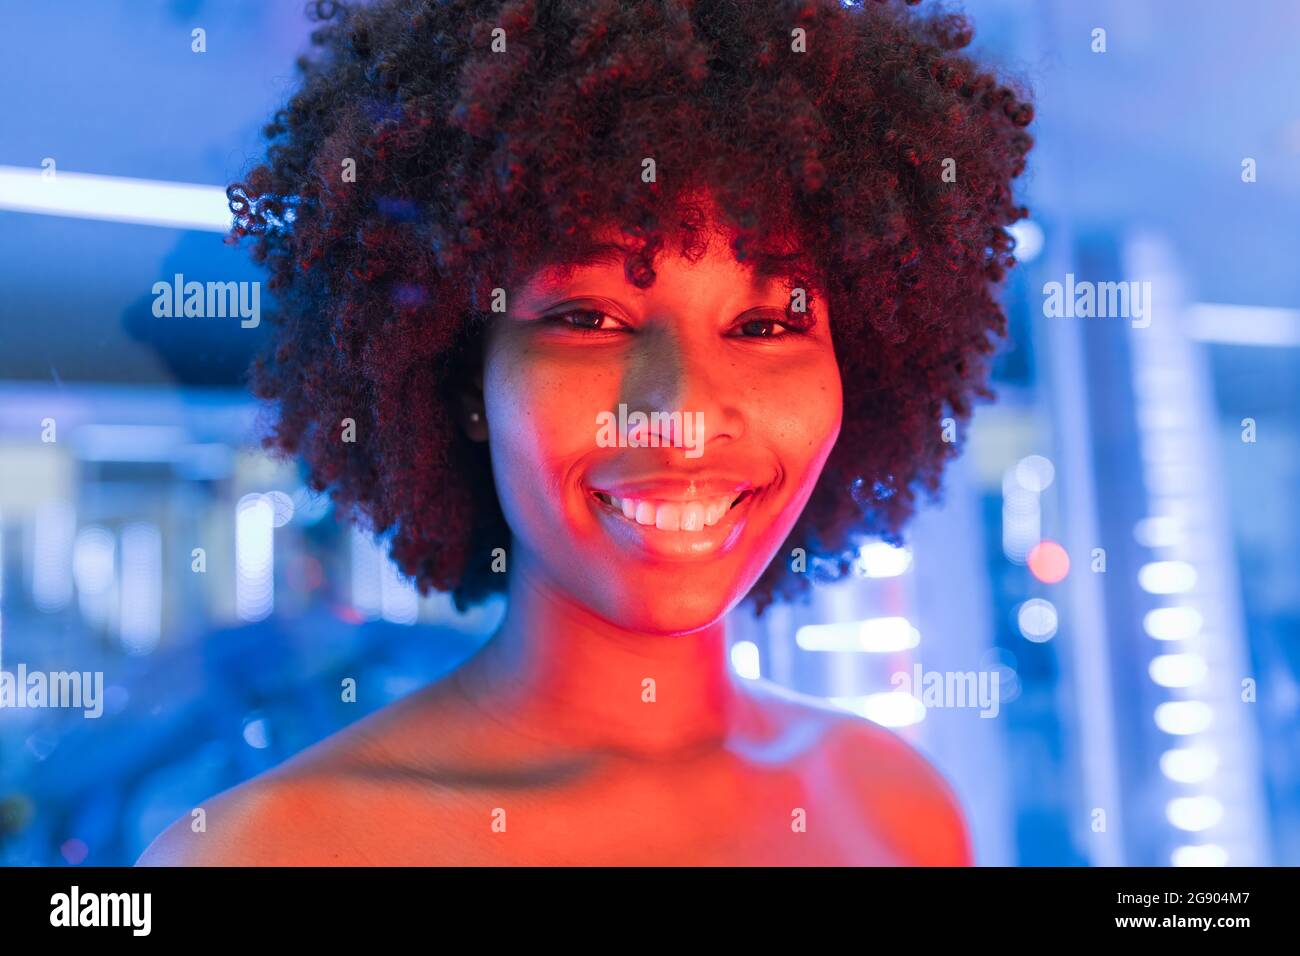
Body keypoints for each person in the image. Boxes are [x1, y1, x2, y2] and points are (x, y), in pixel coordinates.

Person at [139, 0, 1032, 865]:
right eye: (590, 319)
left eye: (765, 326)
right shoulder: (278, 853)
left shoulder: (900, 810)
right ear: (462, 384)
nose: (683, 413)